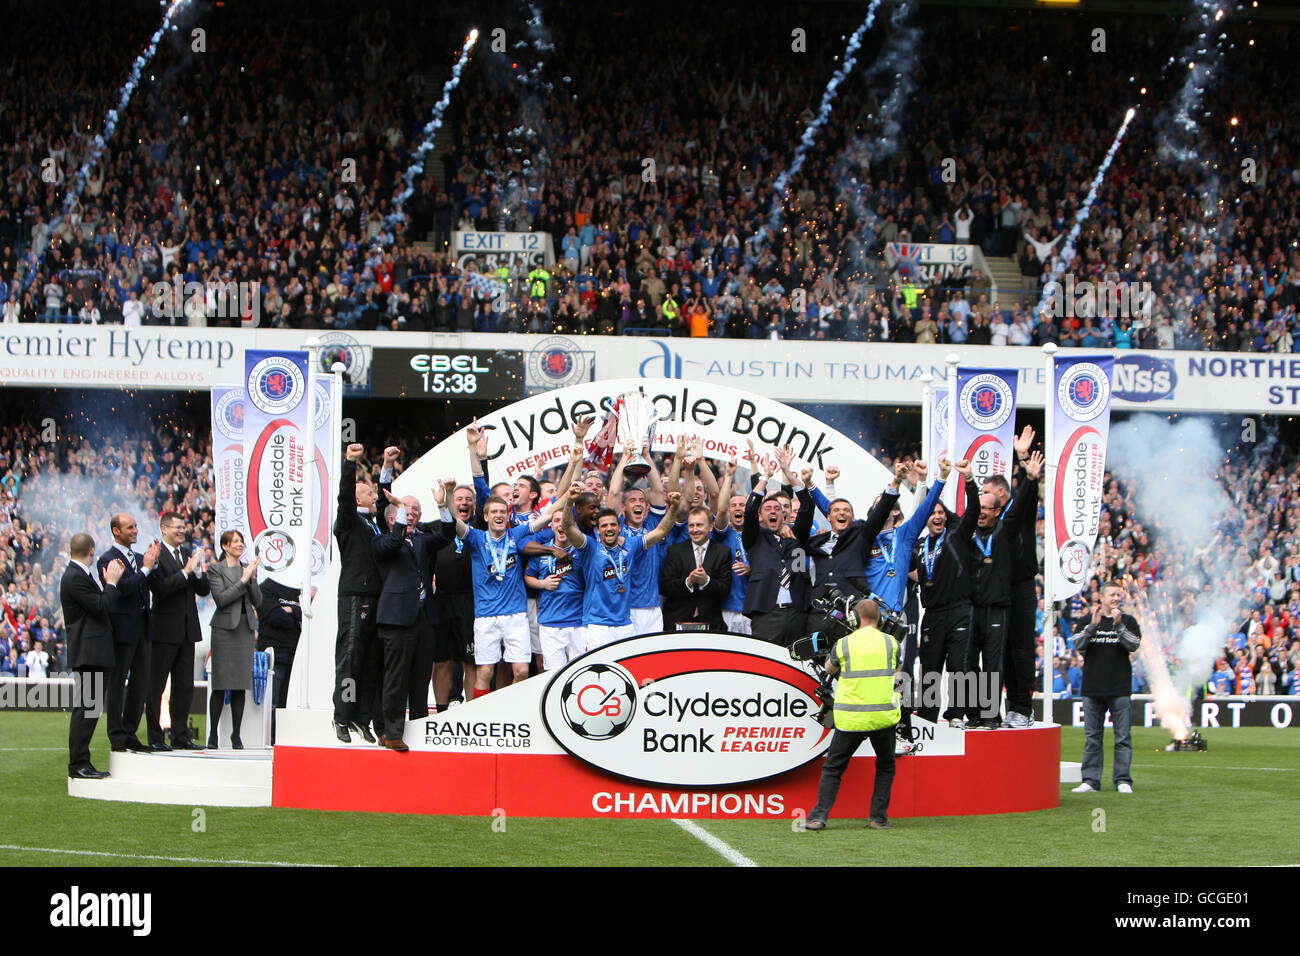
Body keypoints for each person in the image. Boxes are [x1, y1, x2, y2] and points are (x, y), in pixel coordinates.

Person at [438, 478, 567, 695]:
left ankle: (511, 715)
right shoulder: (476, 538)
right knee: (485, 672)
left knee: (522, 671)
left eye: (503, 512)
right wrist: (449, 495)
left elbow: (546, 517)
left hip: (515, 615)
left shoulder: (515, 535)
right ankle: (482, 716)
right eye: (494, 511)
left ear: (508, 516)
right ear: (486, 516)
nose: (499, 515)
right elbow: (453, 521)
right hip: (486, 616)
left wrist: (567, 498)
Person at [805, 599, 902, 831]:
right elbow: (898, 676)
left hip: (852, 718)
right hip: (883, 717)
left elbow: (829, 668)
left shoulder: (844, 644)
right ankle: (878, 818)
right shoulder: (892, 643)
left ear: (855, 618)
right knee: (886, 766)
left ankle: (818, 817)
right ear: (879, 618)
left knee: (833, 768)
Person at [967, 451, 1042, 728]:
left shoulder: (1016, 516)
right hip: (995, 593)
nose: (983, 499)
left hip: (1020, 587)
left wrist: (1026, 471)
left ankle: (1022, 707)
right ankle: (987, 711)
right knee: (999, 652)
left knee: (1020, 649)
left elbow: (1026, 500)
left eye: (987, 492)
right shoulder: (992, 523)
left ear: (1001, 493)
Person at [563, 484, 681, 649]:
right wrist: (569, 502)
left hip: (625, 624)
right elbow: (568, 528)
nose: (609, 528)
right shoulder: (590, 547)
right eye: (604, 526)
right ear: (597, 530)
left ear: (620, 527)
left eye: (613, 525)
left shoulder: (630, 546)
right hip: (598, 625)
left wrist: (674, 507)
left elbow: (661, 531)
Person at [912, 459, 980, 726]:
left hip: (959, 610)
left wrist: (969, 480)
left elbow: (972, 512)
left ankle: (956, 714)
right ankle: (927, 717)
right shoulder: (918, 545)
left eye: (941, 512)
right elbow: (903, 567)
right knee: (929, 668)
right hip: (931, 613)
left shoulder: (956, 535)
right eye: (932, 513)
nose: (937, 516)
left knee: (958, 667)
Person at [371, 498, 440, 751]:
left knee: (421, 676)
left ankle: (420, 726)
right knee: (396, 677)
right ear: (392, 519)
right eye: (405, 513)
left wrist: (443, 506)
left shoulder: (421, 540)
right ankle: (392, 731)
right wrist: (400, 512)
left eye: (413, 513)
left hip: (423, 615)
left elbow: (446, 534)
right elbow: (394, 542)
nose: (411, 517)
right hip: (396, 617)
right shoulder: (382, 540)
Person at [333, 443, 391, 744]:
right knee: (351, 658)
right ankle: (341, 717)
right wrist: (349, 464)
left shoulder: (374, 525)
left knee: (370, 663)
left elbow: (385, 504)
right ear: (357, 497)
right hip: (356, 597)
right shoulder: (348, 522)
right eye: (369, 493)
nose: (374, 497)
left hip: (377, 599)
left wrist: (387, 467)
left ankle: (361, 718)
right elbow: (344, 499)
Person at [62, 533, 126, 780]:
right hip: (89, 652)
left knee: (89, 710)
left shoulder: (80, 575)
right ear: (91, 550)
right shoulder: (75, 577)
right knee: (86, 711)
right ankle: (78, 764)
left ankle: (82, 762)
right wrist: (111, 583)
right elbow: (100, 606)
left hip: (94, 651)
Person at [146, 511, 211, 751]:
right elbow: (161, 589)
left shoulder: (186, 554)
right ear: (164, 529)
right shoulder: (155, 555)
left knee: (184, 686)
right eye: (177, 528)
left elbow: (203, 590)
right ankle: (155, 736)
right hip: (163, 631)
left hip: (187, 631)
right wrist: (185, 571)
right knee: (157, 686)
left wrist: (197, 571)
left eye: (183, 527)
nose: (182, 531)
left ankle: (180, 735)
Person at [1071, 582, 1141, 794]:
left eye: (1118, 595)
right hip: (1092, 688)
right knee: (1092, 737)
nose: (1116, 599)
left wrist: (1119, 626)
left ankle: (1122, 780)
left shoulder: (1128, 621)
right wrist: (1092, 627)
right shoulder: (1086, 620)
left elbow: (1133, 644)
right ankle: (1091, 781)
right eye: (1112, 595)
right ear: (1101, 598)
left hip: (1119, 687)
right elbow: (1077, 644)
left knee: (1123, 738)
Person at [97, 514, 159, 753]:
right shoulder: (107, 559)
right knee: (117, 682)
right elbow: (122, 589)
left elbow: (151, 583)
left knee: (140, 683)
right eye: (129, 527)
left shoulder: (140, 558)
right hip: (121, 629)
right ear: (116, 531)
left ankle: (130, 731)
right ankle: (117, 735)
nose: (135, 530)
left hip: (144, 627)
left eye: (135, 526)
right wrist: (145, 569)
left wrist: (155, 559)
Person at [742, 445, 815, 645]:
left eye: (778, 508)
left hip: (798, 611)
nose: (774, 510)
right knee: (765, 668)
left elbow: (808, 506)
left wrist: (787, 472)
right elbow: (749, 510)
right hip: (766, 612)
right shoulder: (754, 538)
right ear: (761, 515)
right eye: (768, 508)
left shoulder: (796, 535)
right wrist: (765, 476)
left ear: (785, 514)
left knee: (798, 666)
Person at [205, 531, 261, 750]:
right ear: (225, 546)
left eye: (241, 541)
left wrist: (253, 579)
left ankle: (236, 735)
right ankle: (213, 734)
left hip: (245, 630)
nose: (239, 545)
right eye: (235, 542)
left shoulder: (248, 567)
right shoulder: (216, 569)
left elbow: (258, 601)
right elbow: (221, 599)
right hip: (224, 630)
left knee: (240, 684)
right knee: (220, 684)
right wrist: (243, 580)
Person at [661, 506, 733, 631]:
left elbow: (725, 589)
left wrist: (706, 581)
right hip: (677, 621)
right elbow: (666, 587)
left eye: (699, 525)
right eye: (691, 525)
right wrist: (688, 582)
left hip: (711, 623)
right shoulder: (675, 551)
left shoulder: (723, 552)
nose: (694, 530)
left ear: (710, 527)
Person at [256, 577, 301, 744]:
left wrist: (291, 610)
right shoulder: (266, 587)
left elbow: (309, 613)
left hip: (296, 654)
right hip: (274, 654)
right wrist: (296, 611)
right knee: (272, 703)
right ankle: (269, 740)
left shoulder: (297, 586)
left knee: (288, 703)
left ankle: (282, 740)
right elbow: (276, 617)